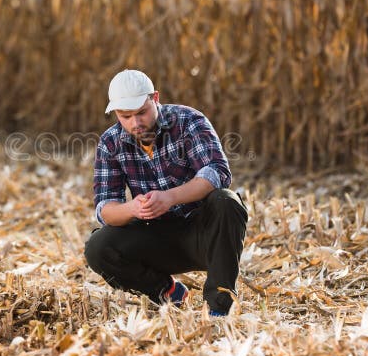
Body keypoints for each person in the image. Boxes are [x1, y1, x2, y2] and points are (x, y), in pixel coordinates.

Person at [84, 69, 248, 317]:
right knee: (98, 247)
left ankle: (219, 307)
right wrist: (132, 209)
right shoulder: (110, 143)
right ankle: (168, 292)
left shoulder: (188, 120)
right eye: (125, 116)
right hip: (156, 238)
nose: (135, 123)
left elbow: (217, 172)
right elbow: (105, 209)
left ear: (156, 98)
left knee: (226, 201)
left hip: (203, 234)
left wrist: (170, 197)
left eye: (141, 112)